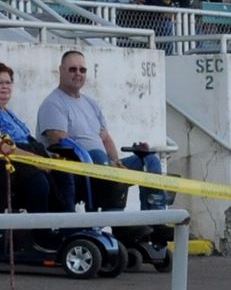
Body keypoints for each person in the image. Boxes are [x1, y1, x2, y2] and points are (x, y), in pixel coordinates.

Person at [35, 49, 163, 208]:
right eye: (72, 69)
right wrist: (104, 164)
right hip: (78, 171)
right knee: (97, 156)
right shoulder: (53, 104)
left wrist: (115, 162)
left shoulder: (91, 103)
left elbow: (106, 138)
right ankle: (117, 223)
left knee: (149, 160)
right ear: (61, 71)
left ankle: (154, 220)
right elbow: (61, 141)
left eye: (82, 70)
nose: (78, 73)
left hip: (104, 165)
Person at [0, 61, 76, 216]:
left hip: (29, 156)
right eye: (0, 83)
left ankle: (67, 228)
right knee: (38, 182)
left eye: (8, 82)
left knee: (64, 172)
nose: (5, 86)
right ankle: (42, 233)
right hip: (11, 163)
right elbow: (4, 147)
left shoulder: (8, 113)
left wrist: (47, 157)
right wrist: (36, 160)